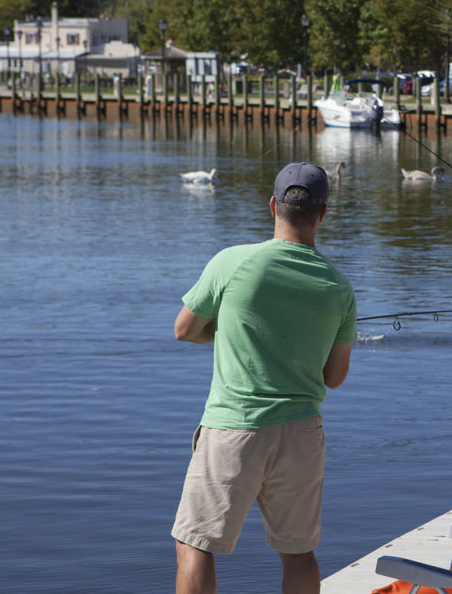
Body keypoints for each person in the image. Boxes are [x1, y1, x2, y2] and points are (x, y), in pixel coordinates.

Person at [171, 162, 357, 594]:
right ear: (323, 214)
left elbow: (184, 329)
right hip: (301, 433)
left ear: (273, 206)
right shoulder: (339, 288)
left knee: (195, 543)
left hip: (235, 426)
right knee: (297, 552)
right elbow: (335, 377)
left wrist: (229, 327)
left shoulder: (232, 262)